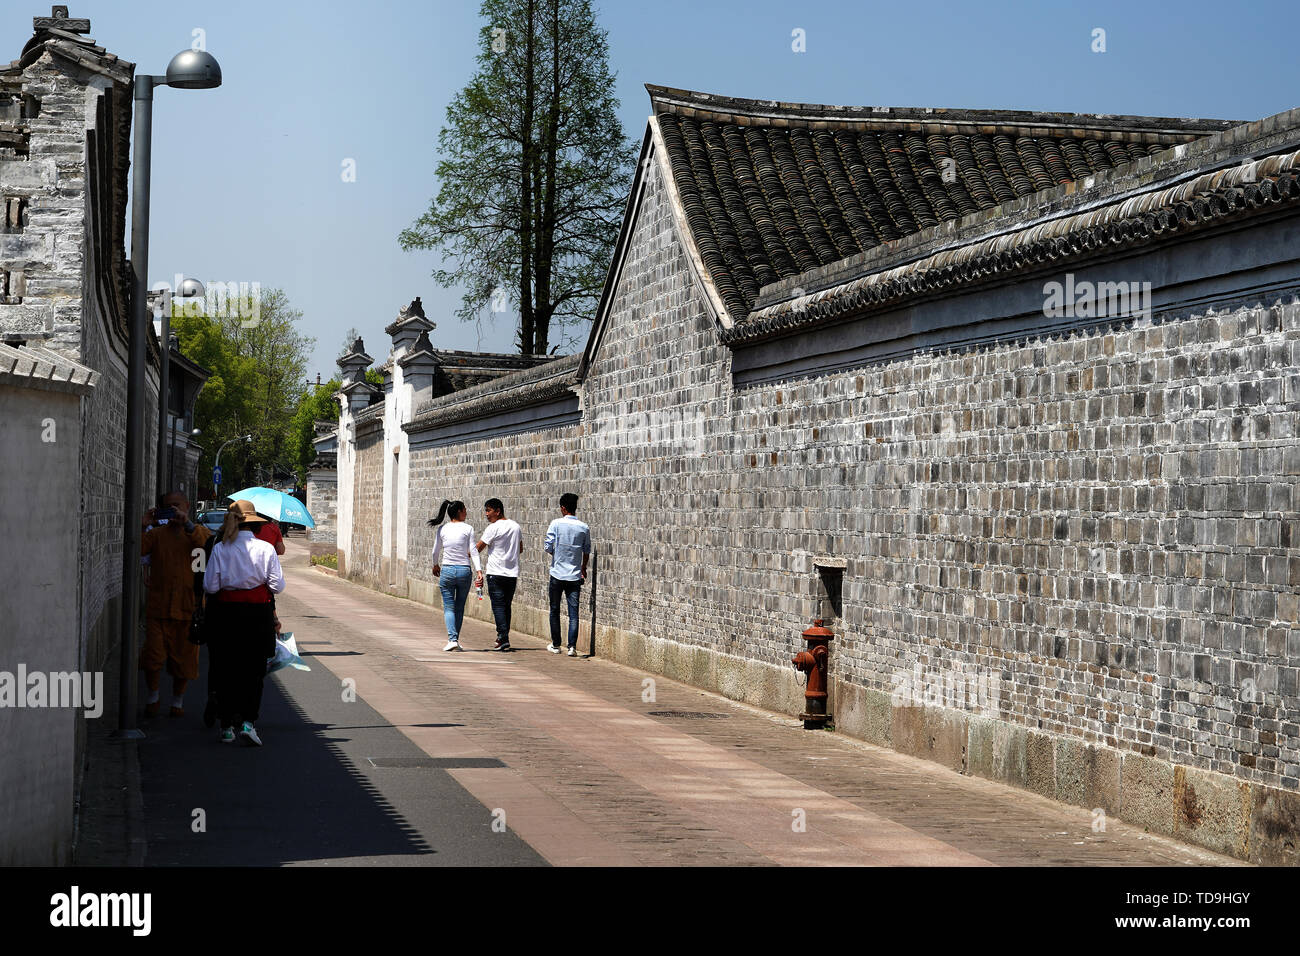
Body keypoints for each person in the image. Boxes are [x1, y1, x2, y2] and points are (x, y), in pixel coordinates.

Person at [203, 499, 284, 746]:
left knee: (225, 669)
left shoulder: (220, 549)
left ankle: (226, 726)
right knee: (254, 671)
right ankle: (249, 722)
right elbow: (277, 586)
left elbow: (210, 586)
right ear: (255, 525)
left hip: (226, 614)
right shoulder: (266, 549)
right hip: (257, 615)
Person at [139, 491, 211, 717]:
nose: (173, 510)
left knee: (185, 660)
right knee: (153, 656)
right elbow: (137, 550)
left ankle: (178, 701)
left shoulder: (198, 533)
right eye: (168, 507)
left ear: (187, 506)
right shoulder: (157, 534)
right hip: (159, 607)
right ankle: (153, 696)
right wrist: (143, 526)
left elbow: (207, 547)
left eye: (176, 506)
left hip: (188, 608)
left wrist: (187, 524)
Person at [429, 500, 481, 651]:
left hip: (448, 571)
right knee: (459, 607)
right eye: (465, 509)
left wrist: (435, 564)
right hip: (465, 570)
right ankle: (455, 640)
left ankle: (452, 639)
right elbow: (474, 550)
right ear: (459, 511)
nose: (466, 512)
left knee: (449, 607)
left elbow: (435, 551)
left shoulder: (442, 529)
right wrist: (479, 571)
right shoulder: (468, 528)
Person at [545, 492, 590, 657]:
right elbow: (586, 550)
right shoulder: (584, 527)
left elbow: (548, 546)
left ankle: (556, 645)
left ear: (563, 508)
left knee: (554, 610)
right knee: (573, 613)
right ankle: (572, 647)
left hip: (557, 574)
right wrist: (583, 567)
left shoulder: (555, 524)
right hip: (574, 575)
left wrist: (557, 556)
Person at [475, 498, 522, 652]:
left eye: (489, 511)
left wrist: (464, 552)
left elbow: (478, 548)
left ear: (498, 511)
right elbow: (520, 549)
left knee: (498, 606)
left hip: (496, 573)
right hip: (512, 573)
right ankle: (503, 636)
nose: (486, 515)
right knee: (506, 606)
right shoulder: (516, 527)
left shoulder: (493, 528)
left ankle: (503, 637)